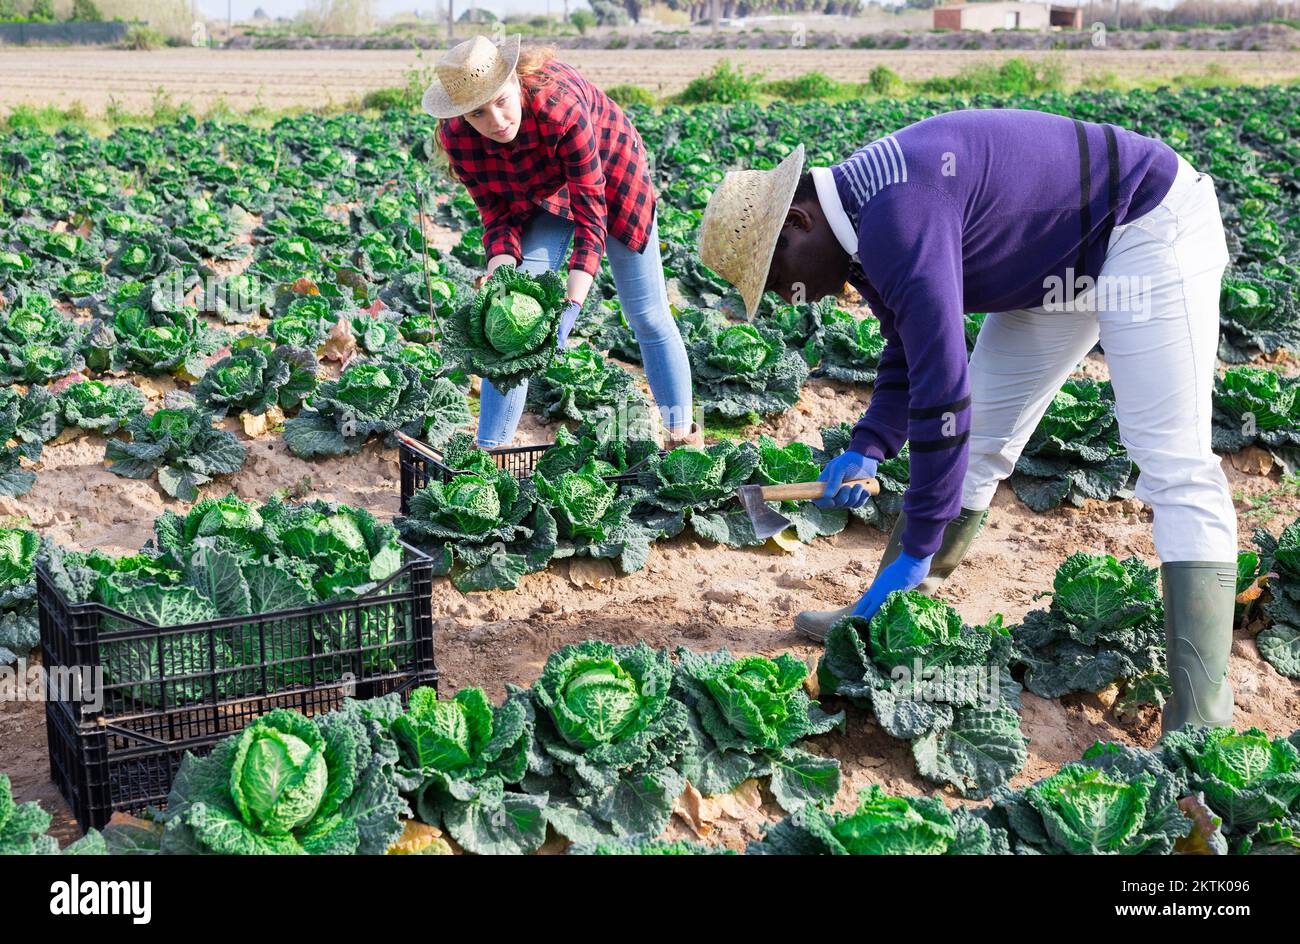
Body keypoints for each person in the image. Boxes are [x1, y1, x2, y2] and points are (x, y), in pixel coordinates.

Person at [698, 109, 1237, 734]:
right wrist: (870, 444)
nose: (799, 296)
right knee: (978, 440)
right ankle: (895, 618)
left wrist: (919, 538)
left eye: (780, 275)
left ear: (798, 221)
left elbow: (942, 390)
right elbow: (908, 341)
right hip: (1062, 260)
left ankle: (1201, 720)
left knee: (1173, 461)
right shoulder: (861, 222)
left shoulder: (896, 215)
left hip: (1146, 223)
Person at [424, 34, 698, 448]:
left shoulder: (559, 107)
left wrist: (571, 304)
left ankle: (682, 442)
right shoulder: (460, 139)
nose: (496, 121)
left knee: (647, 314)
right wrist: (503, 281)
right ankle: (489, 451)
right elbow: (495, 215)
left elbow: (592, 215)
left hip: (610, 168)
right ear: (462, 115)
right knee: (514, 328)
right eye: (479, 113)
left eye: (501, 100)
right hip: (541, 188)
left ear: (516, 81)